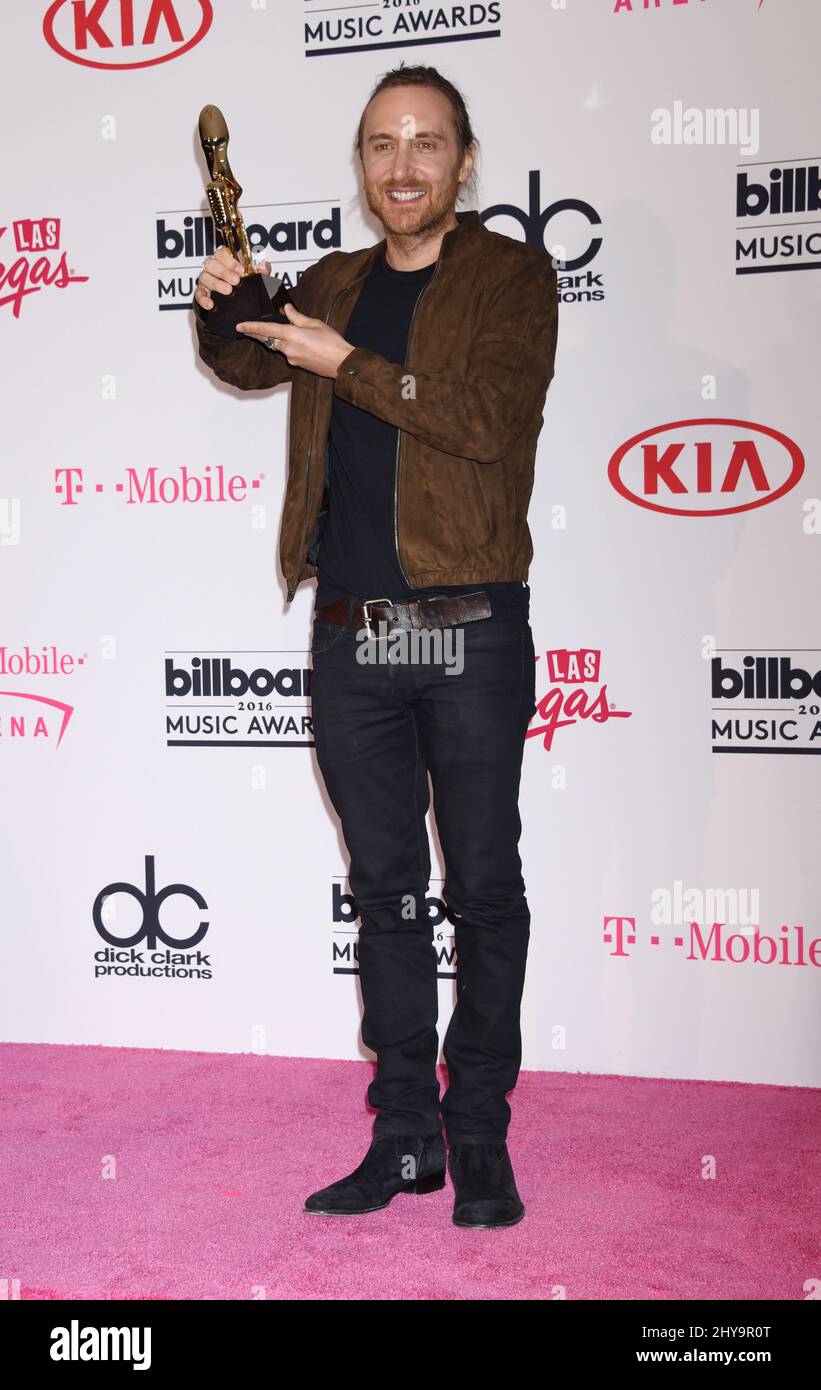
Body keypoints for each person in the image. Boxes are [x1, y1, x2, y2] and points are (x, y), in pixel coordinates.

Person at [193, 63, 558, 1228]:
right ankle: (404, 1135)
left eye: (426, 144)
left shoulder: (511, 277)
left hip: (470, 632)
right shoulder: (337, 281)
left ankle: (481, 1133)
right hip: (351, 636)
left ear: (462, 160)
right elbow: (253, 354)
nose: (400, 166)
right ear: (360, 166)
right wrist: (224, 301)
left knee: (483, 888)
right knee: (387, 893)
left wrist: (339, 362)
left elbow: (480, 420)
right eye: (379, 145)